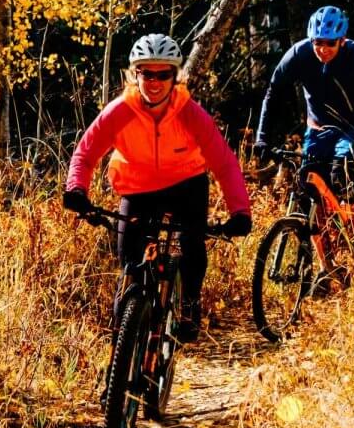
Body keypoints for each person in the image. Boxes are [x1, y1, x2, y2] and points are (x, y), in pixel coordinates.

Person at [63, 34, 252, 342]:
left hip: (186, 184)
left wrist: (240, 211)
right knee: (130, 264)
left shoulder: (191, 113)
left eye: (163, 74)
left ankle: (189, 303)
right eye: (146, 73)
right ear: (134, 74)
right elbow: (85, 153)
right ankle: (122, 339)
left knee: (191, 246)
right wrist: (77, 190)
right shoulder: (119, 111)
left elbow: (224, 162)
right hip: (137, 188)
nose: (154, 81)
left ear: (175, 76)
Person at [253, 5, 354, 287]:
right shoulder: (299, 54)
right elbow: (273, 92)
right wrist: (262, 137)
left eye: (330, 43)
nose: (323, 49)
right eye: (318, 43)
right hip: (318, 129)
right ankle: (326, 267)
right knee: (311, 190)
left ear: (342, 40)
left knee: (343, 174)